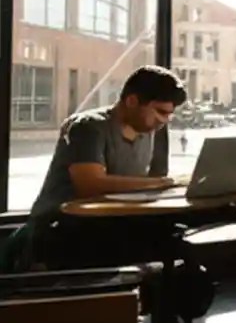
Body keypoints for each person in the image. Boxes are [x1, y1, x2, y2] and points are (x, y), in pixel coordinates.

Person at [0, 66, 186, 274]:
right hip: (60, 226)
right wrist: (162, 183)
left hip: (111, 222)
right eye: (160, 112)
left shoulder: (156, 132)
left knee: (176, 240)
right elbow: (90, 185)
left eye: (169, 114)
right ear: (132, 101)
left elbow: (156, 183)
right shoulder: (89, 127)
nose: (164, 121)